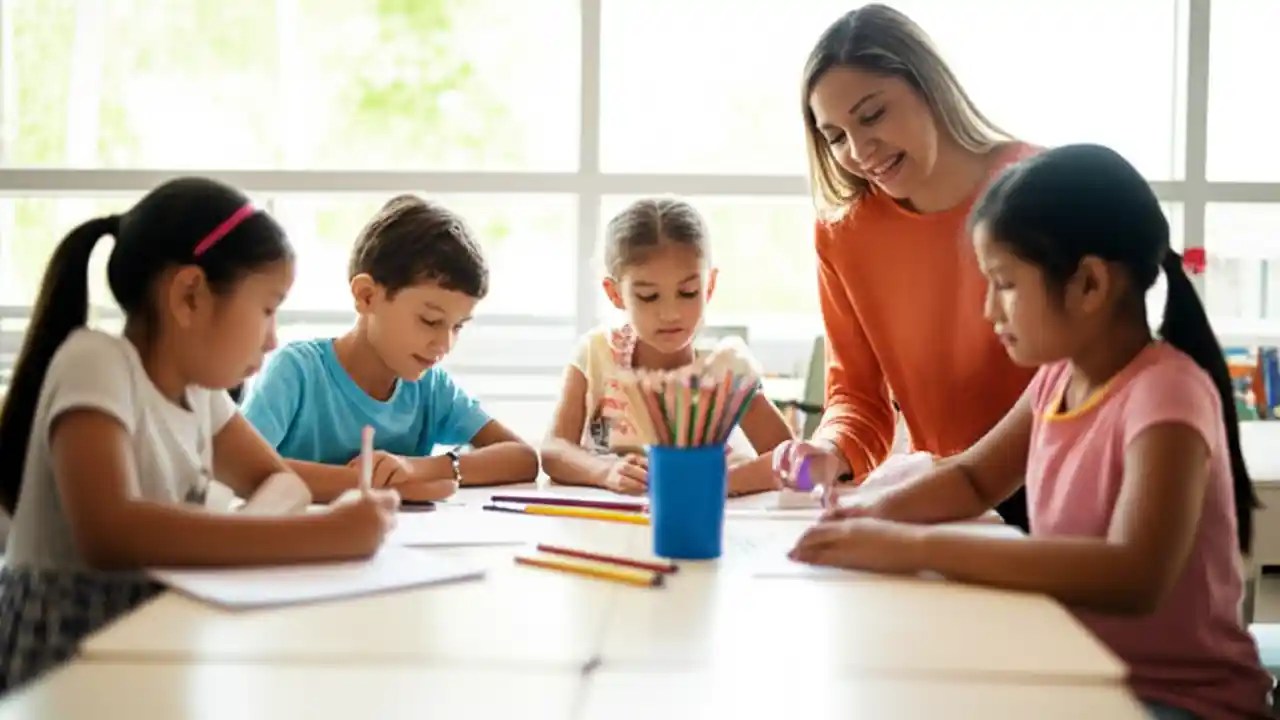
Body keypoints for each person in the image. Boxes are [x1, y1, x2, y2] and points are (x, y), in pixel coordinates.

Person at [790, 144, 1273, 719]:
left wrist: (913, 547)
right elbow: (972, 479)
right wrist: (870, 515)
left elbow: (1134, 575)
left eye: (1005, 284)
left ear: (1090, 284)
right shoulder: (1056, 381)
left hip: (1179, 702)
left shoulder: (1165, 393)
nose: (990, 311)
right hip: (1079, 675)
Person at [0, 178, 399, 693]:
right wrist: (323, 536)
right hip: (60, 659)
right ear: (190, 296)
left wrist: (243, 542)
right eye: (267, 308)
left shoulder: (201, 394)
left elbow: (283, 484)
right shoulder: (96, 361)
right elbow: (108, 533)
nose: (274, 337)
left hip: (151, 636)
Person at [772, 4, 1039, 528]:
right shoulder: (843, 233)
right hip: (946, 507)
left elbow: (1082, 379)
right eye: (835, 137)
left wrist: (967, 481)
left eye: (872, 115)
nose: (858, 150)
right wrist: (828, 451)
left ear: (929, 86)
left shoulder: (1041, 187)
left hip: (1063, 493)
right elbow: (856, 397)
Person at [242, 195, 538, 502]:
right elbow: (244, 469)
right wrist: (379, 484)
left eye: (458, 326)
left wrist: (419, 469)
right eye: (430, 320)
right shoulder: (296, 372)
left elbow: (522, 459)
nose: (445, 344)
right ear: (367, 296)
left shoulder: (432, 388)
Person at [542, 197, 793, 496]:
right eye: (648, 296)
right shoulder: (596, 353)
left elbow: (792, 458)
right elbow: (553, 450)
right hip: (614, 529)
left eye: (688, 292)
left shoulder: (726, 372)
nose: (671, 313)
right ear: (615, 294)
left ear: (709, 286)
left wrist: (720, 482)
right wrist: (604, 472)